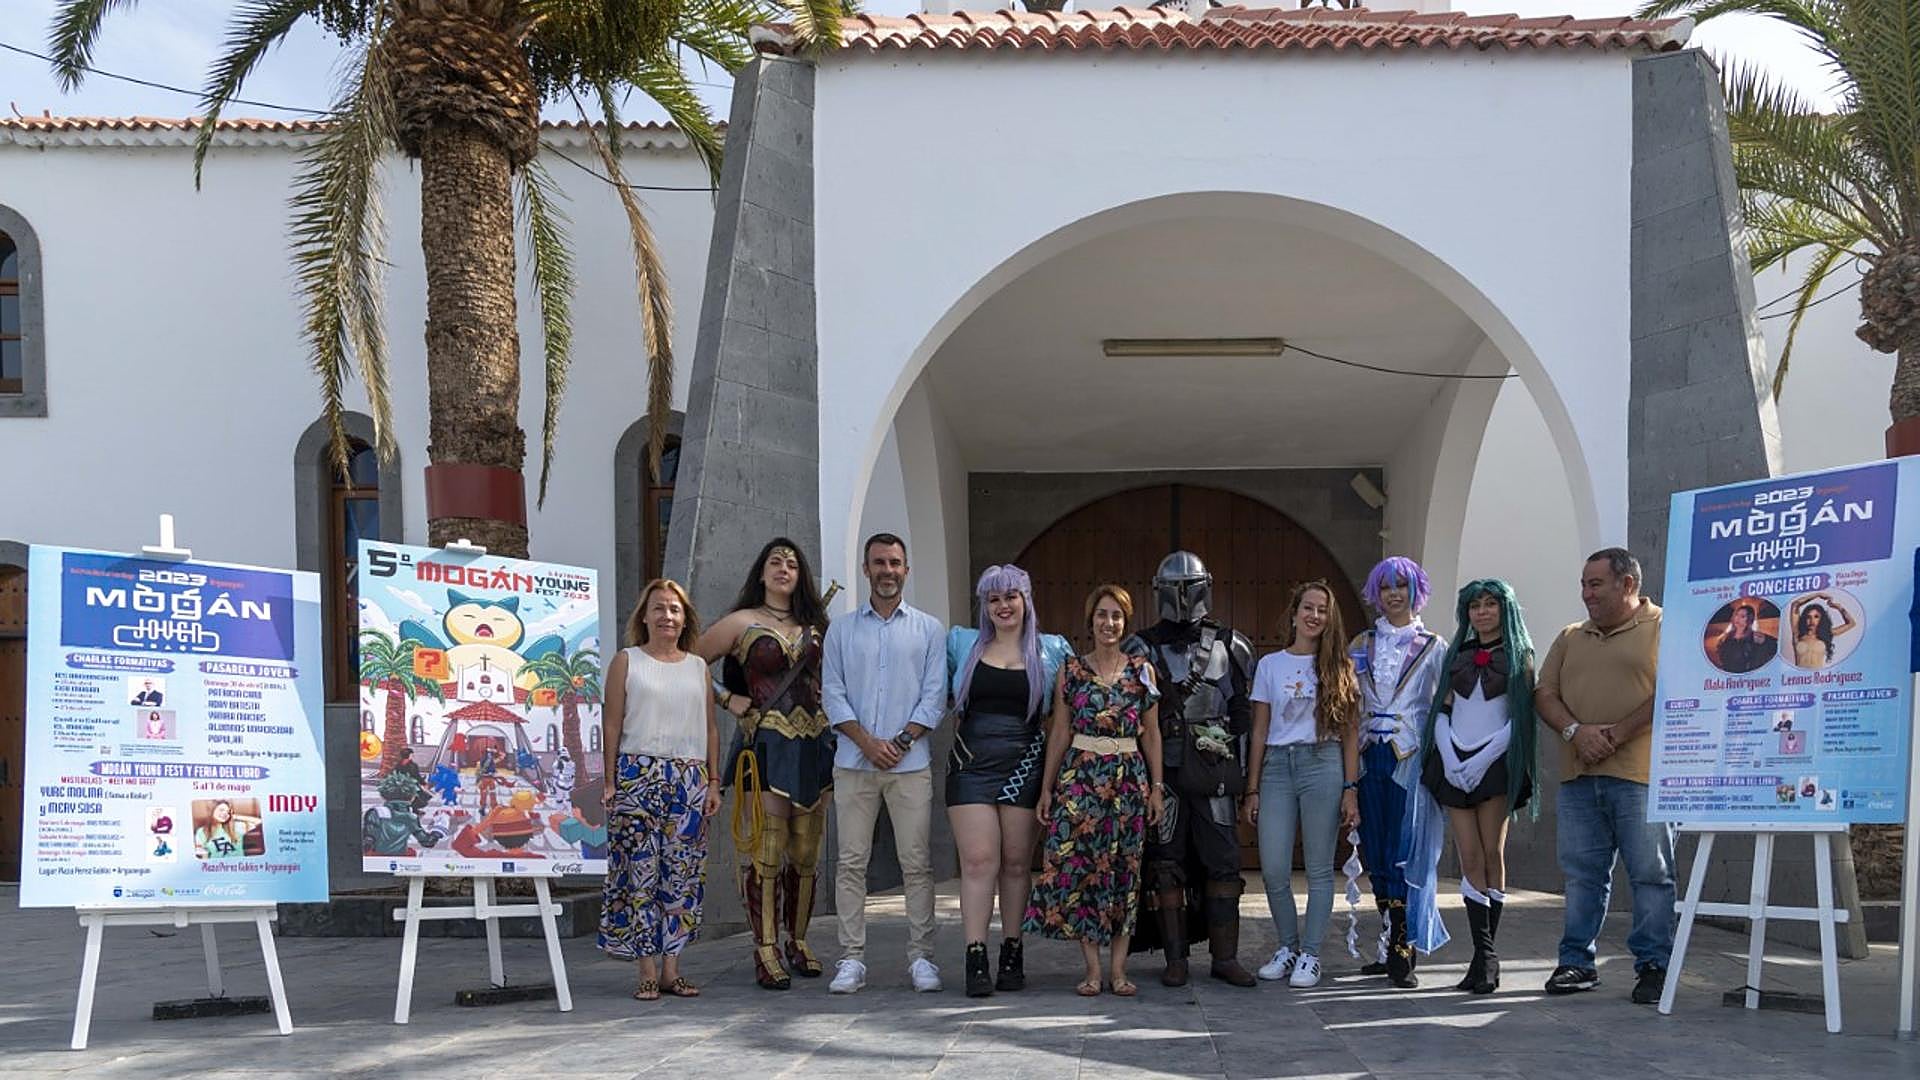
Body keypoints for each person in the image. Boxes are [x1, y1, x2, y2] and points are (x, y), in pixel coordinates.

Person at [1534, 547, 1673, 1004]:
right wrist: (1576, 732)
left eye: (1596, 584)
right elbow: (1544, 693)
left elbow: (1672, 690)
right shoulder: (1571, 636)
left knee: (1651, 874)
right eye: (1583, 584)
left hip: (1641, 776)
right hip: (1580, 776)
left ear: (1627, 584)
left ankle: (1653, 965)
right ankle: (1576, 962)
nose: (1586, 593)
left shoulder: (1664, 627)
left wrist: (1613, 735)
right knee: (1582, 876)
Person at [696, 538, 835, 990]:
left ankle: (798, 939)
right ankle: (765, 947)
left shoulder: (817, 625)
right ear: (761, 571)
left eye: (792, 564)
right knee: (768, 851)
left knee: (807, 853)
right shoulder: (741, 622)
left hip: (815, 745)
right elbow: (688, 662)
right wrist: (726, 697)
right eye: (775, 561)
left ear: (801, 575)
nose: (783, 568)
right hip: (767, 743)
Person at [821, 532, 947, 995]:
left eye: (895, 562)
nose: (887, 570)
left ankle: (922, 958)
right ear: (865, 569)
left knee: (916, 863)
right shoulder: (841, 630)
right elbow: (831, 693)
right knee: (851, 862)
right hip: (854, 762)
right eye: (879, 562)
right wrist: (867, 743)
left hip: (909, 765)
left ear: (906, 570)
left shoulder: (929, 630)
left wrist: (898, 741)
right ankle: (851, 958)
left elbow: (935, 696)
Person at [1126, 551, 1257, 988]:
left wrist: (1244, 781)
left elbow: (1242, 716)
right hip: (1164, 770)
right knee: (1166, 862)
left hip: (1215, 769)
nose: (1182, 596)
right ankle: (1175, 959)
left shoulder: (1231, 644)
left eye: (1189, 587)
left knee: (1223, 862)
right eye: (1173, 588)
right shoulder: (1139, 648)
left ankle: (1225, 957)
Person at [1027, 585, 1165, 997]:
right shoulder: (1070, 671)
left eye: (1117, 616)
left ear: (1126, 622)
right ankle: (1091, 968)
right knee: (1084, 870)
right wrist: (1047, 788)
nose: (1109, 623)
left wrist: (1157, 788)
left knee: (1125, 870)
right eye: (1102, 615)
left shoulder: (1142, 670)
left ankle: (1119, 969)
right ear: (1090, 621)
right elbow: (1060, 732)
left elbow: (1153, 734)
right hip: (1081, 780)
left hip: (1127, 779)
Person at [945, 564, 1073, 996]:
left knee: (1017, 864)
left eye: (1011, 597)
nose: (1003, 606)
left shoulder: (1052, 650)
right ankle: (975, 955)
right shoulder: (961, 643)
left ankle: (1012, 950)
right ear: (985, 605)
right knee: (980, 861)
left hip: (1026, 761)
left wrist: (1055, 779)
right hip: (971, 761)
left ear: (1026, 600)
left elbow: (1065, 719)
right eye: (994, 599)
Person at [1407, 579, 1538, 994]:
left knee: (1491, 852)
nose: (1482, 613)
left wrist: (1482, 758)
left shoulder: (1520, 655)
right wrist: (1449, 755)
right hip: (1455, 761)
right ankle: (1483, 958)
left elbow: (1518, 718)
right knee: (1467, 856)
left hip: (1496, 764)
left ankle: (1487, 958)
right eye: (1475, 606)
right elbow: (1444, 709)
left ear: (1505, 609)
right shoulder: (1457, 655)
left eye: (1491, 605)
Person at [600, 578, 722, 1001]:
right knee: (640, 874)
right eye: (658, 608)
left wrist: (713, 781)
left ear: (684, 617)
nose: (667, 615)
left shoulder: (698, 668)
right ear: (645, 616)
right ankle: (647, 969)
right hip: (637, 775)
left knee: (682, 875)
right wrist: (611, 780)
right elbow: (612, 723)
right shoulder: (626, 661)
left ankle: (673, 969)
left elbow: (709, 728)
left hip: (689, 780)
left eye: (674, 608)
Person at [1244, 580, 1361, 989]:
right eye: (1308, 608)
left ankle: (1311, 954)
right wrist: (1253, 787)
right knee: (1274, 867)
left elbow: (1350, 734)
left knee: (1318, 868)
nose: (1314, 616)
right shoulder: (1270, 665)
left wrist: (1351, 788)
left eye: (1322, 610)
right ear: (1293, 613)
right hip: (1277, 764)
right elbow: (1259, 731)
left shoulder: (1339, 666)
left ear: (1330, 620)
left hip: (1322, 763)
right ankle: (1287, 945)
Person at [1347, 557, 1447, 987]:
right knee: (1376, 849)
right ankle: (1388, 942)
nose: (1393, 594)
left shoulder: (1434, 646)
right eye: (1385, 586)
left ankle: (1405, 950)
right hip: (1371, 757)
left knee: (1406, 851)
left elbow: (1444, 707)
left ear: (1415, 591)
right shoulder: (1360, 643)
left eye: (1401, 586)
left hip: (1410, 760)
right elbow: (1350, 707)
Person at [1789, 594, 1856, 670]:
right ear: (1805, 619)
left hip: (1818, 678)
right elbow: (1795, 604)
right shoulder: (1797, 633)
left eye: (1816, 617)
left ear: (1821, 619)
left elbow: (1851, 623)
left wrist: (1838, 607)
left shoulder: (1826, 633)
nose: (1812, 621)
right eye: (1808, 617)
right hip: (1799, 678)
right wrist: (1817, 595)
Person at [1714, 600, 1774, 674]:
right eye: (1737, 615)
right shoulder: (1726, 637)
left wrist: (1765, 641)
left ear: (1750, 619)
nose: (1738, 618)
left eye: (1742, 616)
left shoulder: (1755, 637)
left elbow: (1773, 646)